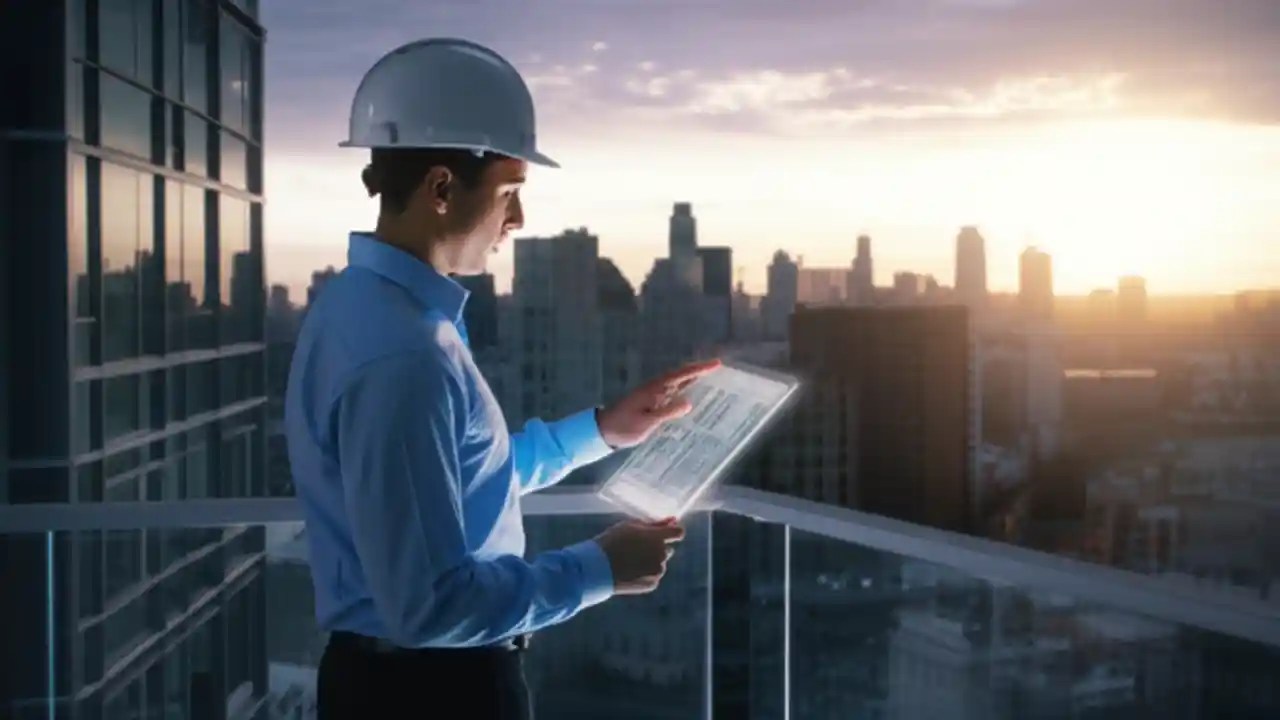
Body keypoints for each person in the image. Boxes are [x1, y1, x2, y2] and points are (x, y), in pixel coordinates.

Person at [284, 38, 721, 720]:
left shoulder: (363, 307)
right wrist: (598, 569)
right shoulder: (404, 354)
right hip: (432, 694)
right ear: (440, 188)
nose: (517, 220)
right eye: (510, 192)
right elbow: (430, 606)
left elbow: (456, 483)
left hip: (404, 681)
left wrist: (602, 429)